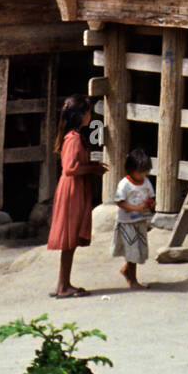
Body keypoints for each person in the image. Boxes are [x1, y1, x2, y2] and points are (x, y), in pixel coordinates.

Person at [47, 94, 104, 298]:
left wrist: (91, 167)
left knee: (69, 243)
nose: (90, 115)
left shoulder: (70, 136)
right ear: (80, 115)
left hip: (73, 187)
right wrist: (92, 169)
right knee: (69, 241)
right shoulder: (74, 138)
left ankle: (63, 284)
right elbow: (70, 168)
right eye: (88, 112)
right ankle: (63, 287)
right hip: (72, 189)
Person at [112, 148, 156, 290]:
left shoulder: (146, 182)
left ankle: (127, 272)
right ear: (131, 170)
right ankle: (133, 281)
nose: (143, 174)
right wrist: (137, 208)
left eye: (145, 171)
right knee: (132, 252)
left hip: (140, 222)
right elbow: (120, 202)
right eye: (140, 171)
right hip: (127, 223)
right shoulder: (124, 184)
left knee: (137, 251)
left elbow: (151, 196)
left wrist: (150, 204)